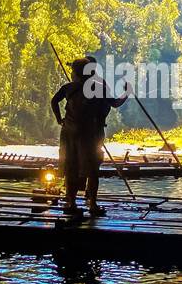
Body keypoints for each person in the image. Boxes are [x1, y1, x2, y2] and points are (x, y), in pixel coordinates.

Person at [51, 56, 127, 218]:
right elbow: (114, 103)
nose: (71, 73)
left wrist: (59, 119)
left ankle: (71, 202)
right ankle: (92, 204)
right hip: (89, 134)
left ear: (76, 73)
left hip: (69, 133)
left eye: (73, 71)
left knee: (71, 167)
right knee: (92, 169)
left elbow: (54, 101)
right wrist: (126, 93)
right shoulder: (99, 87)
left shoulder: (69, 88)